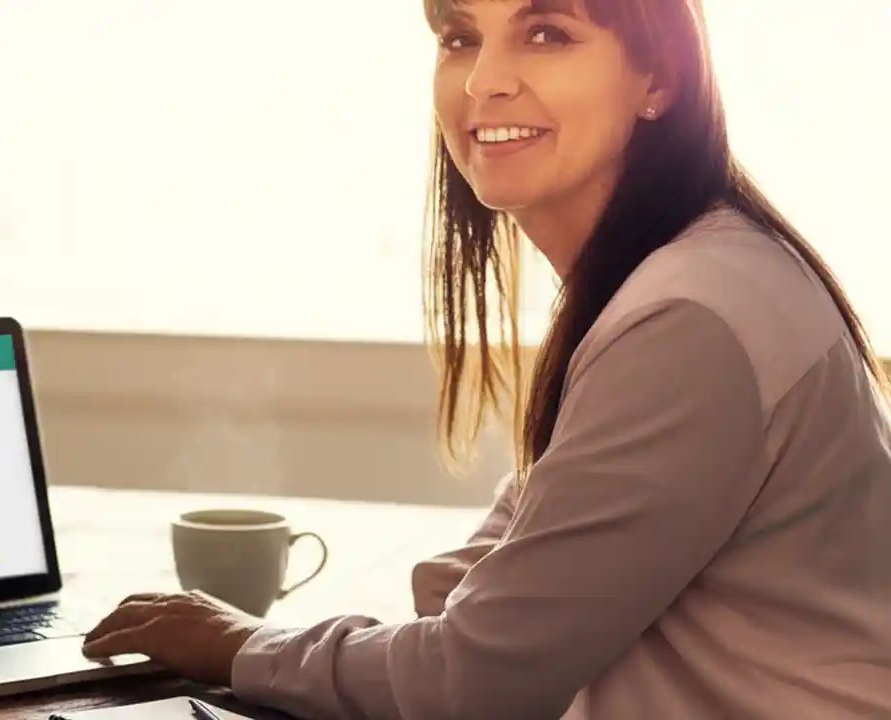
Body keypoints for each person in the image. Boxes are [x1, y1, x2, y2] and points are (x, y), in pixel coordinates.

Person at [80, 0, 891, 717]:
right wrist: (476, 626)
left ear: (660, 80)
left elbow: (474, 683)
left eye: (546, 32)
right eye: (459, 36)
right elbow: (477, 603)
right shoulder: (679, 278)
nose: (482, 83)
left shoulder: (687, 322)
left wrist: (240, 646)